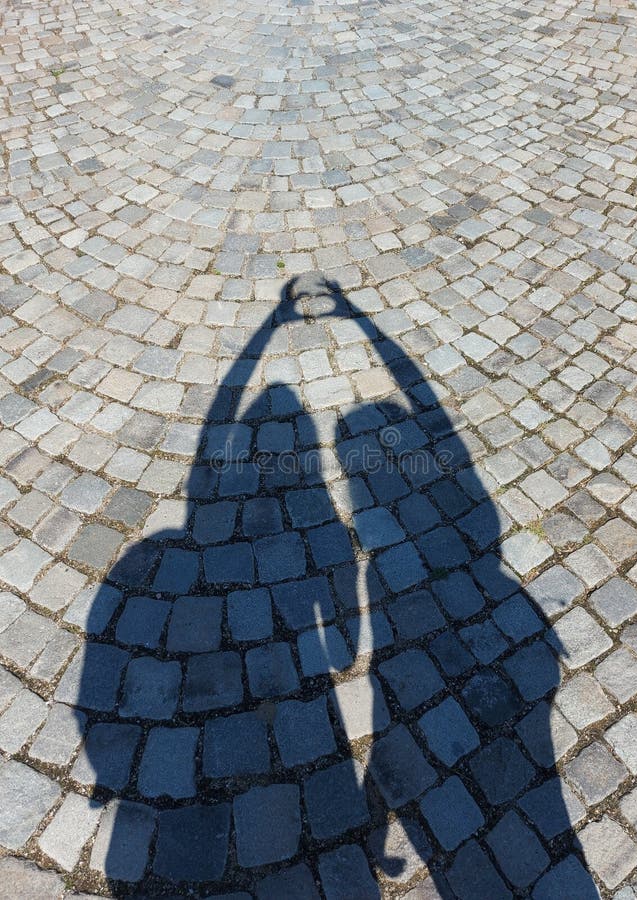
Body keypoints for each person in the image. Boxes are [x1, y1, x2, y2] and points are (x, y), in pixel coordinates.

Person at [62, 274, 597, 897]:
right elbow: (439, 429)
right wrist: (359, 320)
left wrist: (274, 326)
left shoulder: (215, 538)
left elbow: (213, 449)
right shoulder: (458, 537)